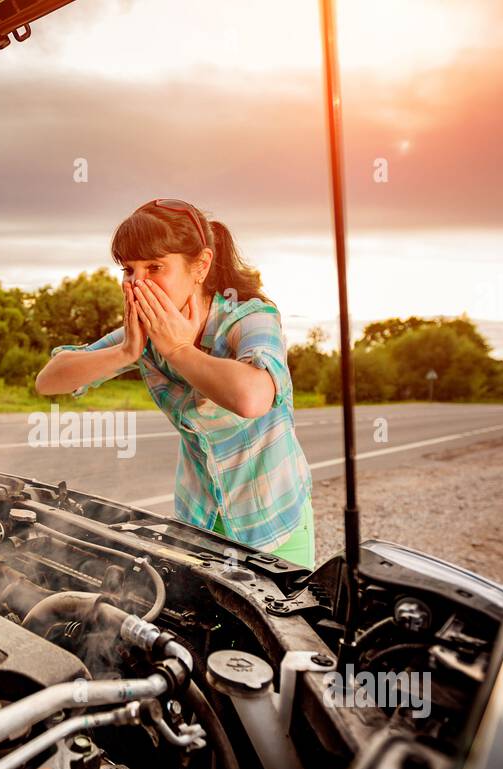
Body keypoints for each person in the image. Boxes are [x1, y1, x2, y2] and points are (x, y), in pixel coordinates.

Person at [35, 198, 314, 567]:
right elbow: (49, 380)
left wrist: (181, 349)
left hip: (273, 525)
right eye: (128, 270)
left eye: (155, 267)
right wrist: (124, 352)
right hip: (198, 520)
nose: (138, 283)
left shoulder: (248, 318)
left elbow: (252, 398)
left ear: (200, 266)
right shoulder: (145, 333)